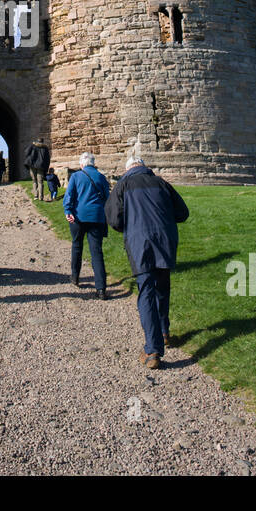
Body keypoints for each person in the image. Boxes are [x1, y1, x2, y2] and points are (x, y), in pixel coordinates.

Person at [105, 153, 190, 369]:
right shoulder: (161, 183)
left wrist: (130, 226)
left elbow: (114, 219)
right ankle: (164, 332)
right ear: (144, 167)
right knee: (162, 287)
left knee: (146, 291)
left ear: (127, 169)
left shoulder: (122, 186)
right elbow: (182, 213)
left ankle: (152, 350)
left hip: (139, 241)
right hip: (165, 240)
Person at [63, 152, 110, 298]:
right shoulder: (101, 177)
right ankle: (101, 289)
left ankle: (75, 277)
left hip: (78, 216)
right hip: (97, 217)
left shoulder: (76, 176)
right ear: (93, 163)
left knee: (77, 246)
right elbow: (107, 199)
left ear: (82, 164)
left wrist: (68, 210)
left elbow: (69, 196)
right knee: (96, 252)